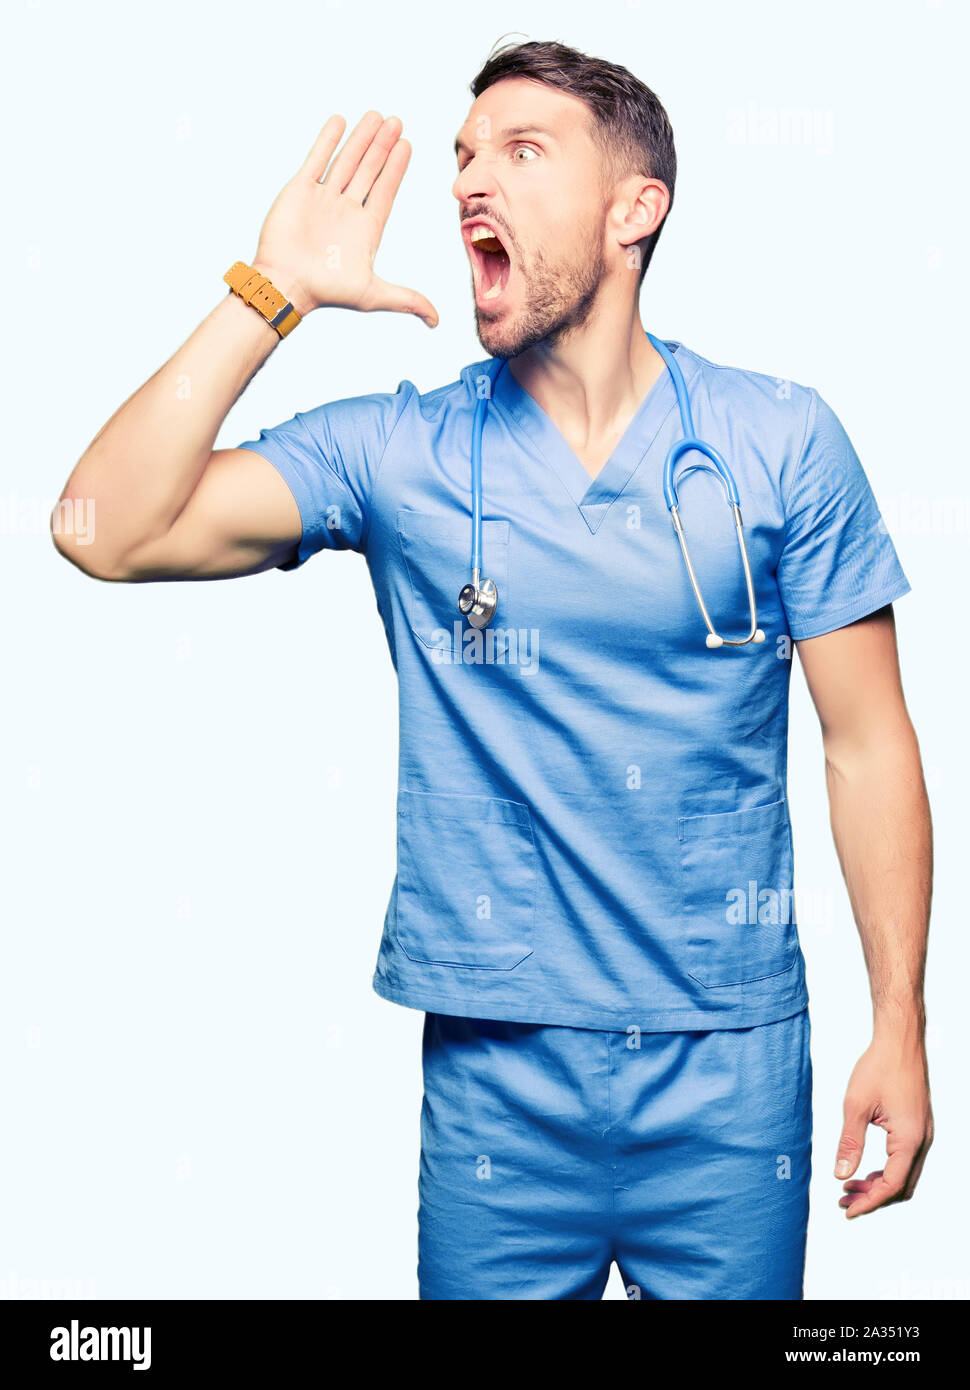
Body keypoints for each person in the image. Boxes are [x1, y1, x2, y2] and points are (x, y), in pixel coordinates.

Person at [51, 38, 933, 1301]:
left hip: (732, 1068)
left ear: (637, 209)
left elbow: (867, 743)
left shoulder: (779, 440)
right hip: (496, 1083)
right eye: (465, 158)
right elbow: (101, 528)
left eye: (523, 153)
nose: (472, 182)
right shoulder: (399, 451)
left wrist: (898, 1023)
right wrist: (269, 294)